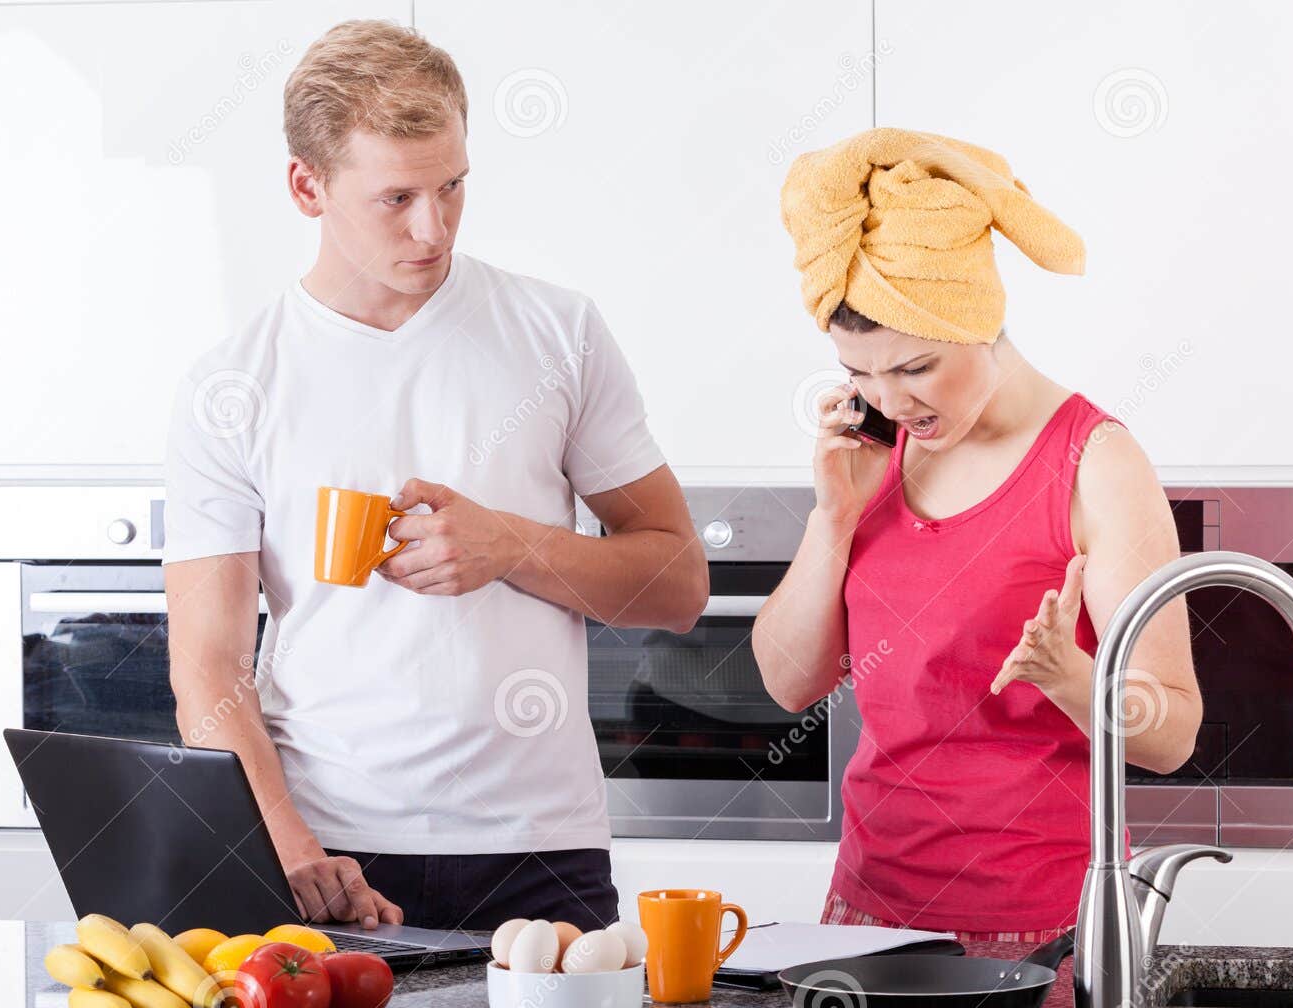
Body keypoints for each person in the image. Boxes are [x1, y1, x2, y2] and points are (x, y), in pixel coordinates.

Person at [162, 21, 707, 933]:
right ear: (308, 186)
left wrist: (512, 546)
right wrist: (290, 846)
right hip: (324, 850)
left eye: (453, 187)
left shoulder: (557, 332)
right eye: (397, 198)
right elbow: (207, 667)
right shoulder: (233, 385)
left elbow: (679, 585)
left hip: (541, 849)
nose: (434, 228)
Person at [754, 128, 1202, 942]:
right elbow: (789, 685)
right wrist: (833, 520)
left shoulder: (1094, 464)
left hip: (1046, 932)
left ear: (979, 323)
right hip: (867, 923)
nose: (887, 401)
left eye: (915, 367)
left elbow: (1172, 734)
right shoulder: (872, 456)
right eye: (859, 372)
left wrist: (1074, 678)